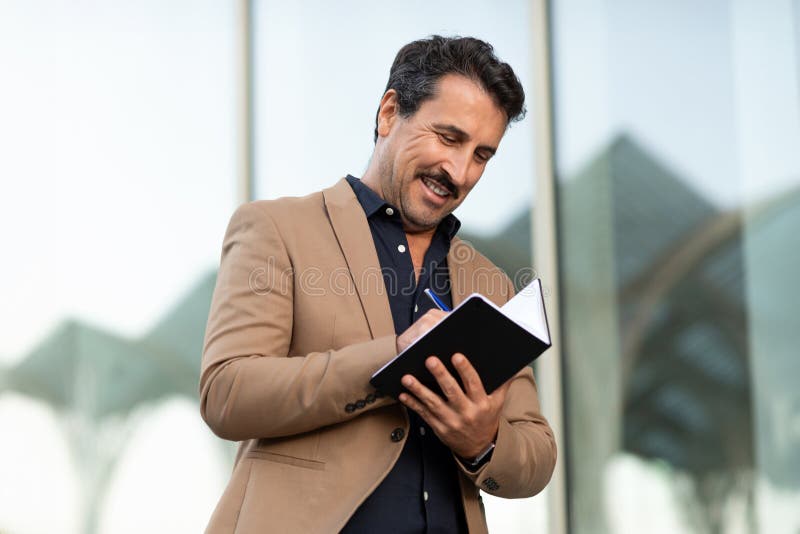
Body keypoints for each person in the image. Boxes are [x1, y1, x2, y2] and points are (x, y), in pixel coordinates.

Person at [200, 35, 557, 533]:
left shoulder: (489, 283)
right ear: (389, 113)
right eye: (448, 138)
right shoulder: (277, 229)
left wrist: (484, 442)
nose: (459, 171)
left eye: (482, 155)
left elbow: (537, 456)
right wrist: (391, 359)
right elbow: (227, 392)